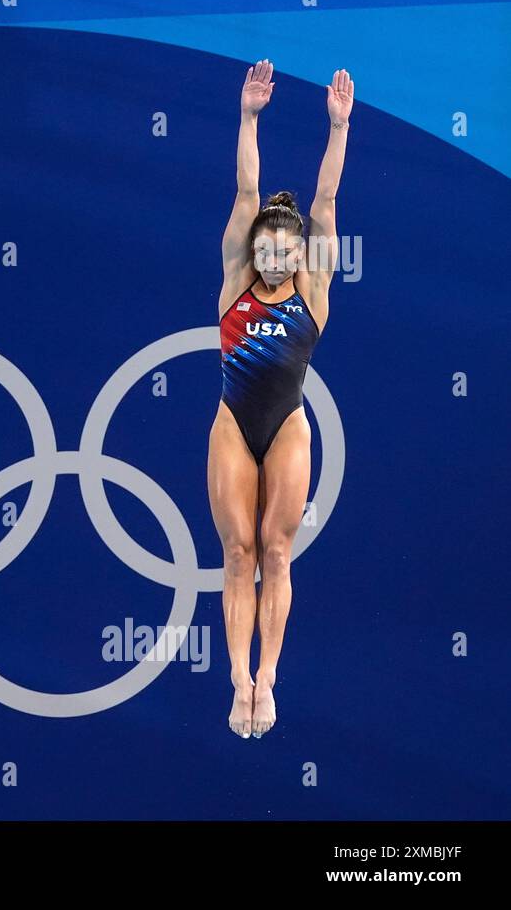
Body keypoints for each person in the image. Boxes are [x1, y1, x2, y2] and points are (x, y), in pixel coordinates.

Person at [208, 60, 352, 738]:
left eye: (281, 250)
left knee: (276, 552)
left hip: (288, 425)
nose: (269, 257)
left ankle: (270, 679)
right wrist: (248, 117)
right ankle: (238, 681)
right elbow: (246, 189)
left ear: (298, 256)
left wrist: (338, 128)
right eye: (262, 246)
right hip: (235, 424)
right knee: (238, 553)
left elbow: (324, 205)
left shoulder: (313, 292)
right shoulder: (235, 277)